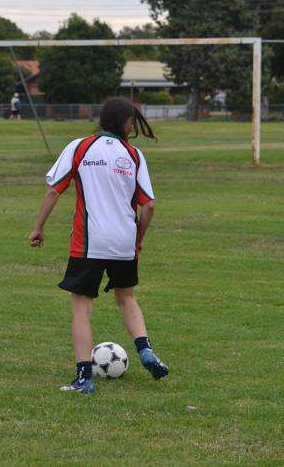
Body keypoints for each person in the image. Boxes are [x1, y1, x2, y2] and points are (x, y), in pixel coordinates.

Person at [29, 97, 169, 394]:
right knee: (127, 298)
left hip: (89, 242)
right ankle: (145, 350)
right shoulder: (134, 155)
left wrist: (39, 227)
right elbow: (150, 206)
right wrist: (138, 240)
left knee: (82, 307)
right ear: (125, 124)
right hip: (123, 242)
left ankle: (84, 378)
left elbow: (55, 190)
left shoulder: (79, 146)